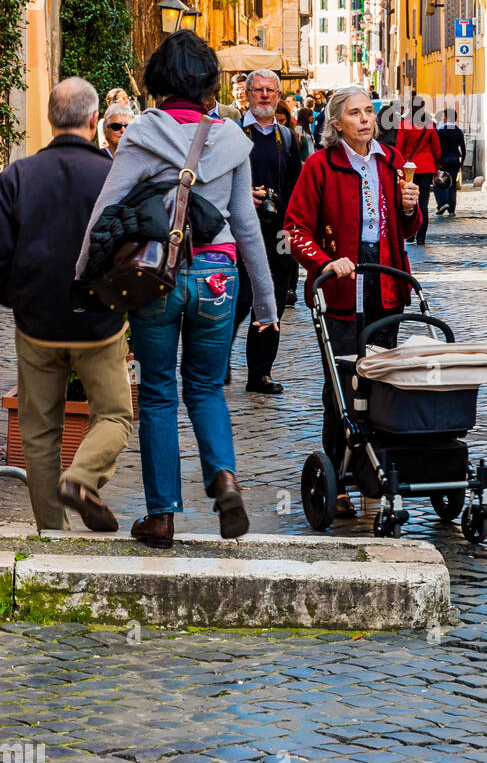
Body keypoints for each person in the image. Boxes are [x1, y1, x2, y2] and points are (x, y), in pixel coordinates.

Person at [76, 31, 278, 548]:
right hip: (219, 275)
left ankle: (161, 516)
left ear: (159, 79)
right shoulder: (233, 140)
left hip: (156, 275)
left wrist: (82, 276)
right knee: (207, 388)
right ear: (210, 82)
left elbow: (105, 211)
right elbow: (246, 224)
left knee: (161, 393)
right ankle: (224, 479)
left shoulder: (143, 134)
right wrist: (268, 302)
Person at [0, 78, 132, 532]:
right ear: (95, 121)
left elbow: (1, 253)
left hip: (37, 321)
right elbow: (130, 248)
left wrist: (17, 299)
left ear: (50, 119)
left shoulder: (18, 176)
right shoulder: (112, 175)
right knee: (115, 414)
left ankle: (52, 534)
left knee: (38, 433)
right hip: (99, 319)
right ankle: (80, 479)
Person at [283, 86, 421, 516]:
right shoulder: (319, 165)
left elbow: (410, 229)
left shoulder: (392, 163)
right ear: (336, 122)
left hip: (385, 283)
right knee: (341, 386)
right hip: (341, 287)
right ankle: (338, 478)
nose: (364, 119)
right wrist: (326, 263)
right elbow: (294, 231)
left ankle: (372, 476)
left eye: (369, 112)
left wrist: (410, 206)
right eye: (354, 113)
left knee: (380, 383)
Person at [227, 69, 302, 391]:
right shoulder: (231, 134)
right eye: (258, 90)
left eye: (271, 90)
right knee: (239, 301)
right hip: (239, 232)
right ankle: (219, 363)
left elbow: (296, 187)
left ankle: (260, 373)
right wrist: (242, 195)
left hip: (277, 234)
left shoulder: (287, 138)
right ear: (246, 93)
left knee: (271, 301)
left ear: (279, 95)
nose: (265, 95)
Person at [395, 97, 441, 245]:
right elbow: (436, 148)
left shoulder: (404, 125)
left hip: (409, 168)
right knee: (423, 202)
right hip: (426, 167)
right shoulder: (429, 125)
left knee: (409, 199)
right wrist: (437, 165)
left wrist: (399, 168)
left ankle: (410, 233)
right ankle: (421, 236)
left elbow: (399, 148)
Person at [435, 108, 466, 215]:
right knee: (452, 185)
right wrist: (462, 163)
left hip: (443, 160)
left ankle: (443, 203)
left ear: (446, 117)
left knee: (441, 182)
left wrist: (437, 161)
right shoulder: (458, 131)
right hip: (455, 160)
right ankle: (452, 210)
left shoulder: (441, 130)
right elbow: (463, 148)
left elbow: (437, 147)